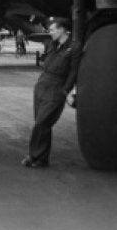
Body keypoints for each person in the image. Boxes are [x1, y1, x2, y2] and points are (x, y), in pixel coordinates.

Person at [22, 17, 78, 168]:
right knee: (42, 124)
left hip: (57, 87)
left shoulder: (73, 47)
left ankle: (34, 156)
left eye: (53, 29)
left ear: (62, 30)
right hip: (42, 85)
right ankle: (40, 159)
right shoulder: (53, 45)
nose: (50, 32)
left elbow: (74, 72)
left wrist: (66, 90)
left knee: (42, 122)